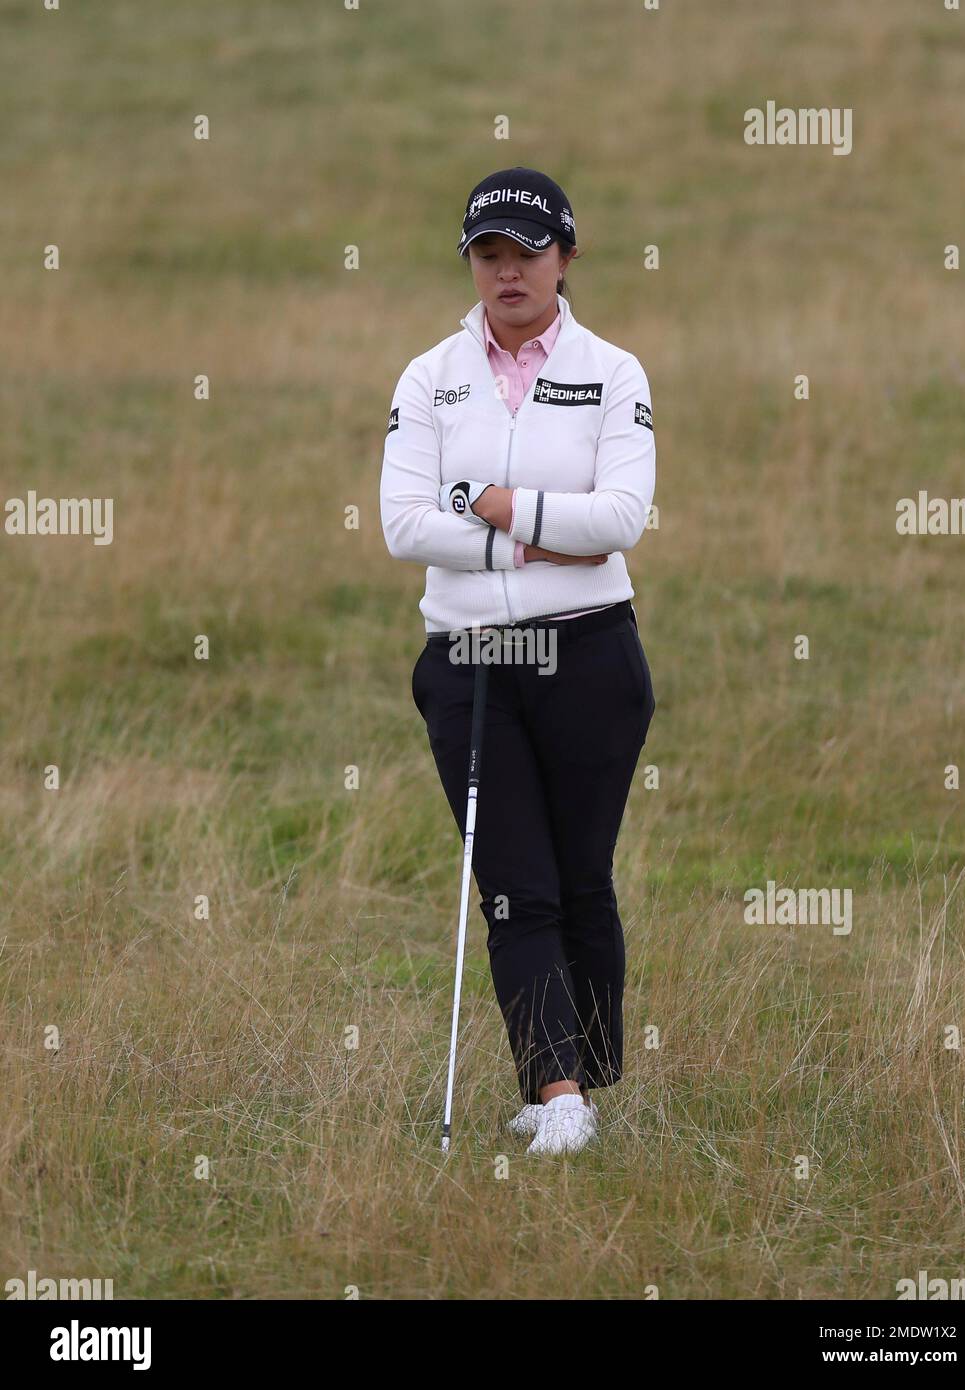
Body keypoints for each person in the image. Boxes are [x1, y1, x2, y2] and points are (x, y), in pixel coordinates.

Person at [379, 167, 657, 1154]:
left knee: (581, 876)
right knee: (512, 882)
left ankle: (580, 1074)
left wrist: (497, 504)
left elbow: (620, 517)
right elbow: (403, 525)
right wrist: (539, 537)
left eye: (526, 252)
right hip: (467, 660)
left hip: (588, 655)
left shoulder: (612, 372)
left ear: (565, 258)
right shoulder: (430, 377)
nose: (507, 272)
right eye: (488, 253)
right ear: (471, 262)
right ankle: (557, 1089)